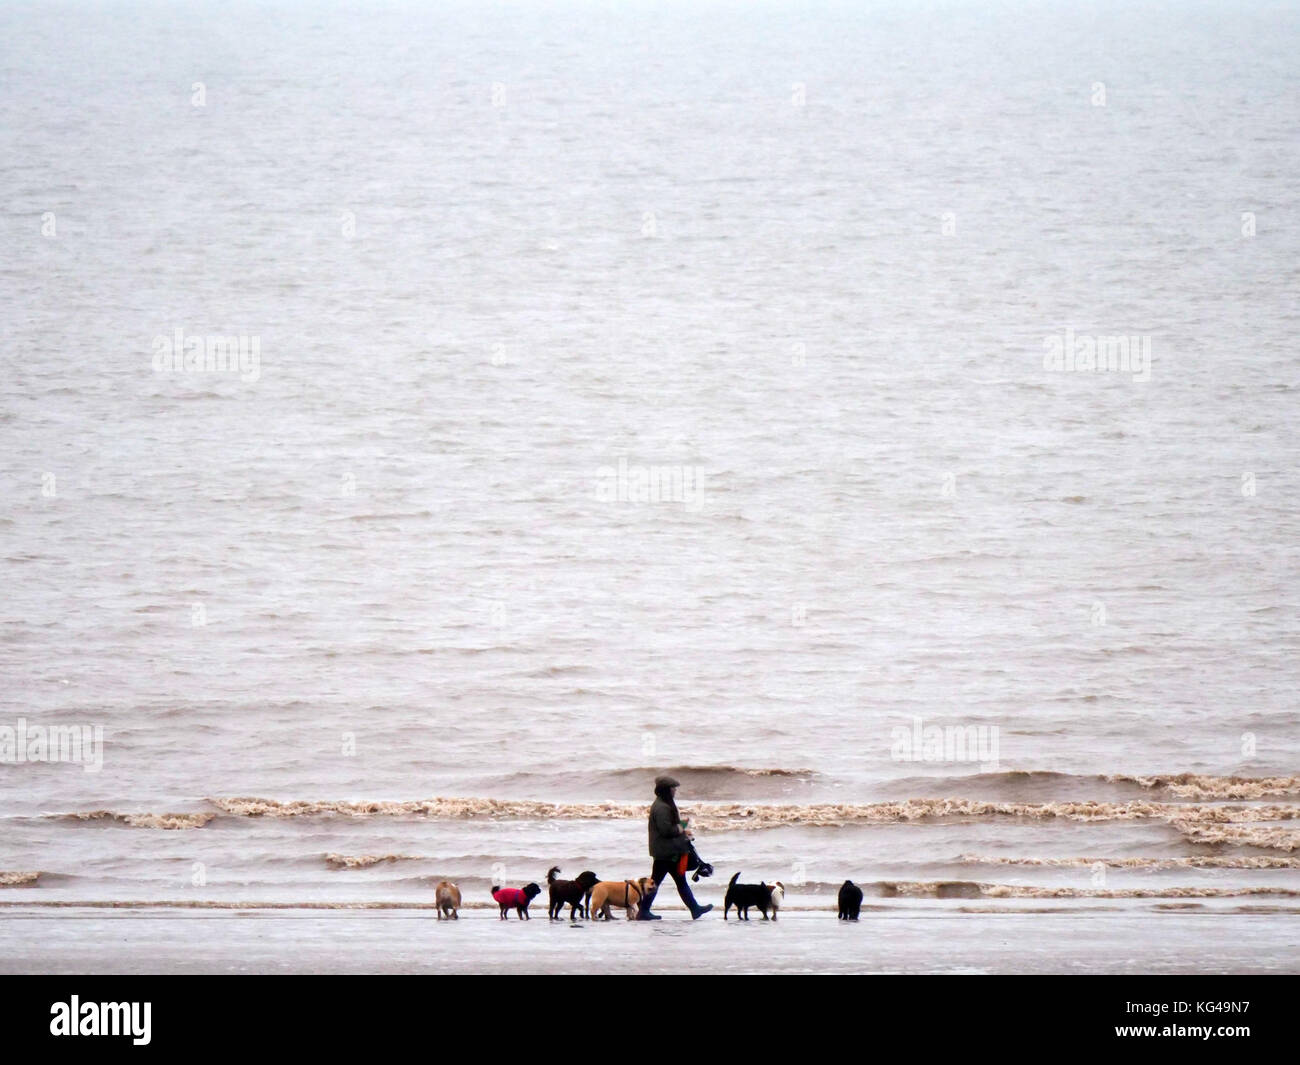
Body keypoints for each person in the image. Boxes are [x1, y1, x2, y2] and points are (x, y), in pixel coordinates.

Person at [639, 775, 713, 919]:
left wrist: (681, 827)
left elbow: (669, 828)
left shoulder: (663, 804)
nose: (675, 791)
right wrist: (682, 826)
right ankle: (643, 911)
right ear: (666, 790)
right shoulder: (662, 807)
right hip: (666, 853)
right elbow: (666, 830)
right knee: (656, 882)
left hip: (668, 851)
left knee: (679, 881)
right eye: (673, 789)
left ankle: (695, 909)